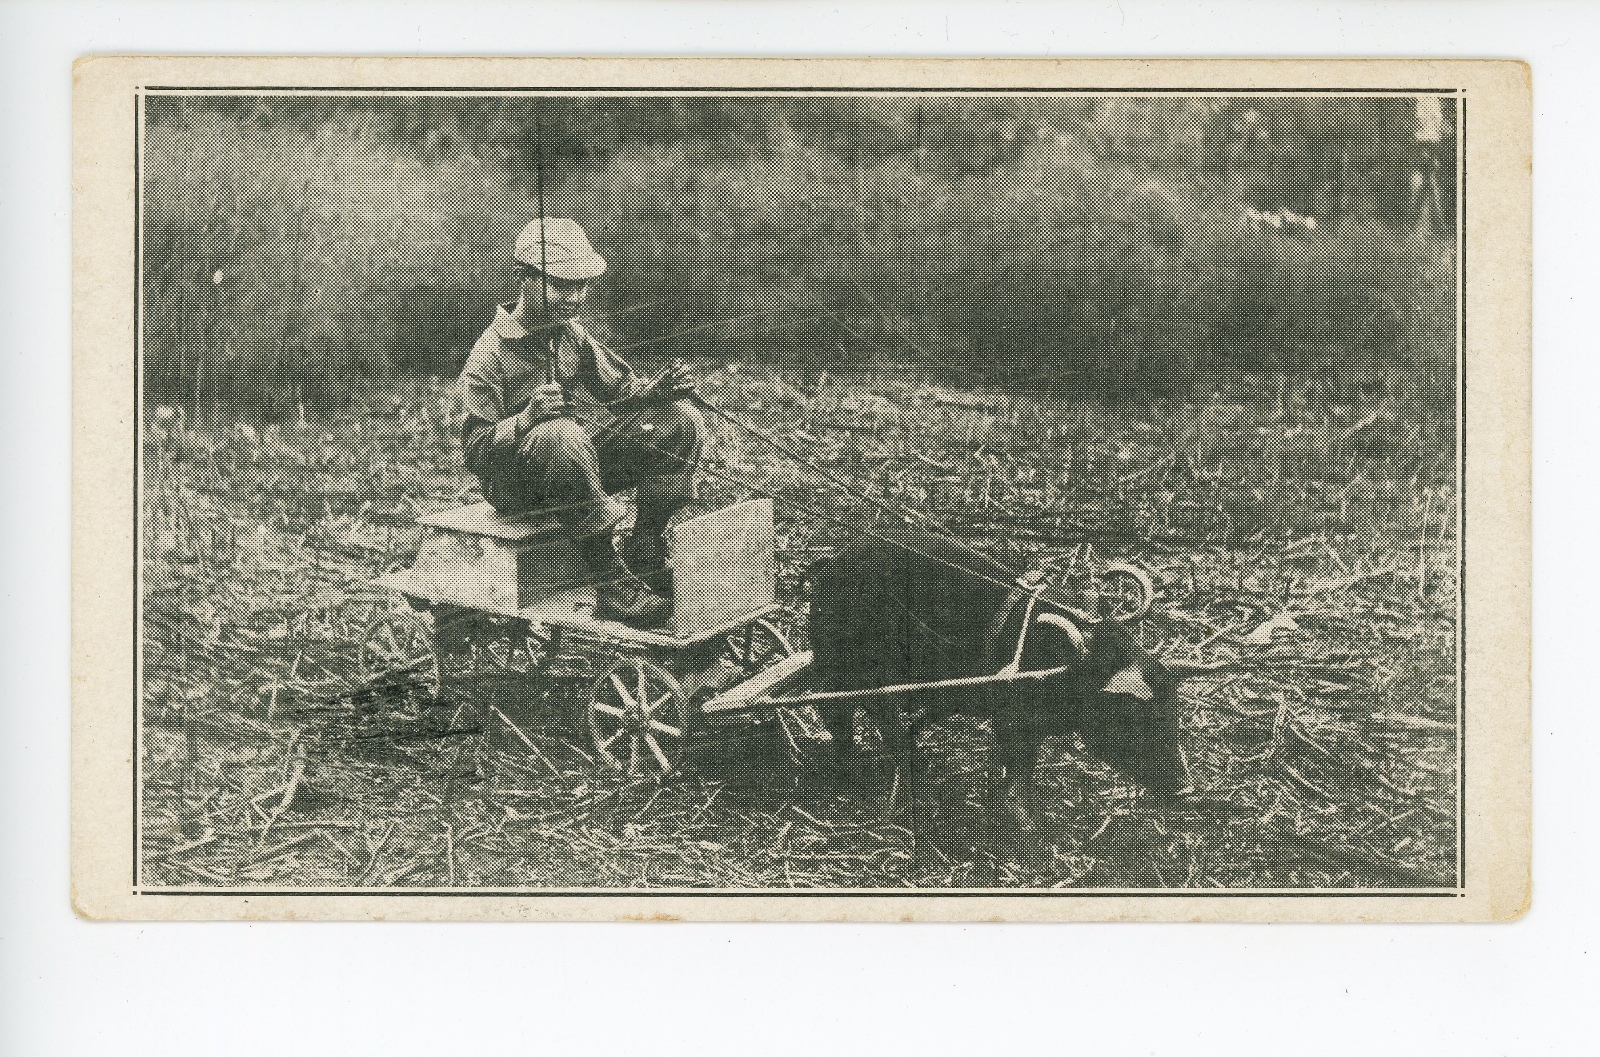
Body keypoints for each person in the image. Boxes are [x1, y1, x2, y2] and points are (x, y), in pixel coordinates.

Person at [457, 218, 708, 625]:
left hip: (573, 468)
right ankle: (610, 581)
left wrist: (657, 391)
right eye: (562, 285)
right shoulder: (489, 356)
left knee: (679, 421)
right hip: (516, 487)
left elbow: (620, 388)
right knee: (561, 434)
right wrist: (525, 419)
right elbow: (475, 450)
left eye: (583, 285)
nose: (575, 297)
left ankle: (644, 549)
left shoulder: (570, 334)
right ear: (526, 279)